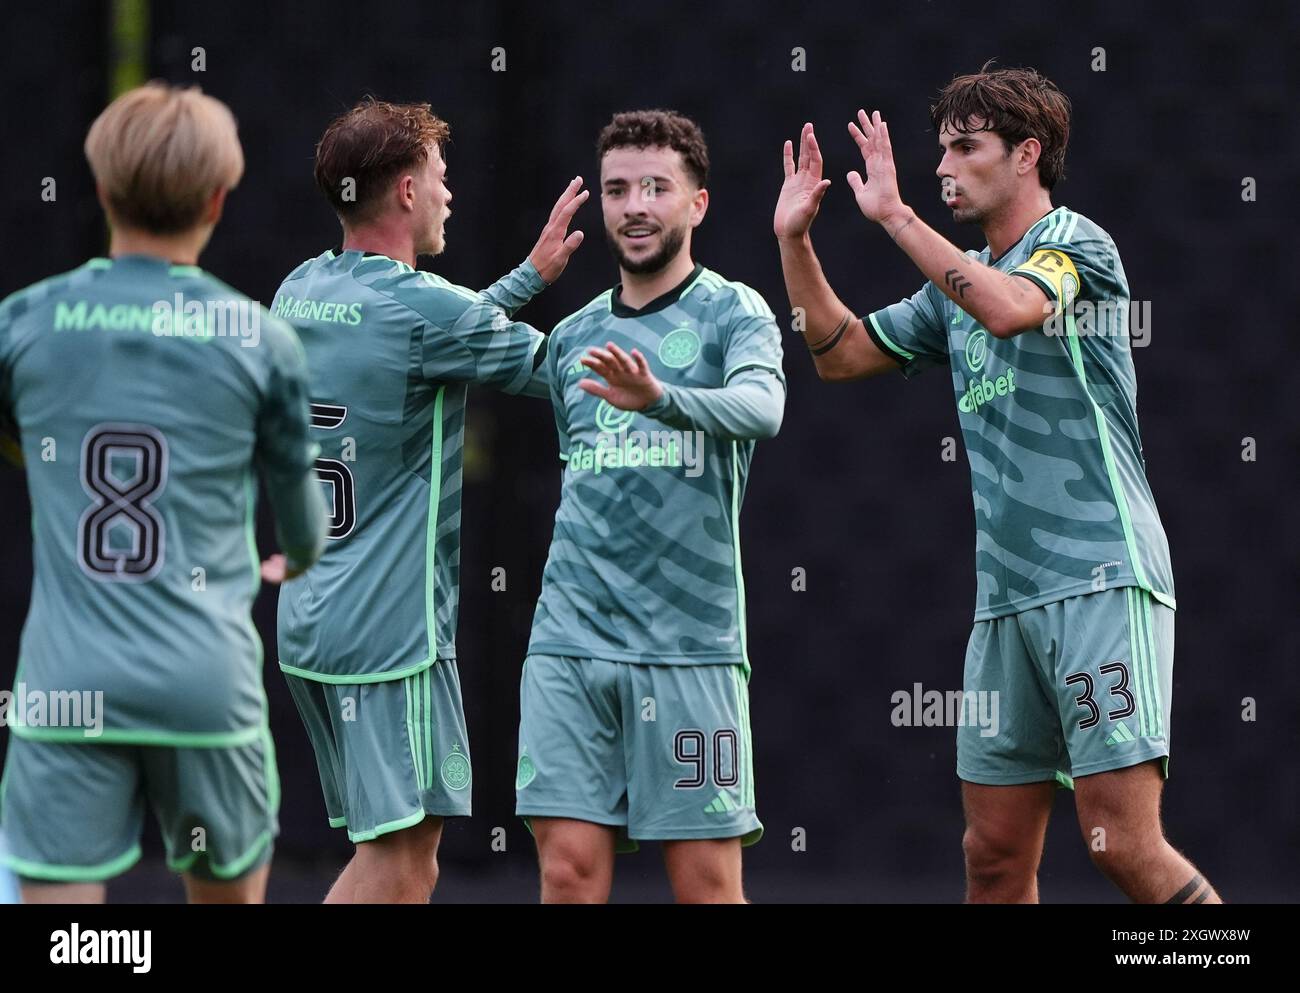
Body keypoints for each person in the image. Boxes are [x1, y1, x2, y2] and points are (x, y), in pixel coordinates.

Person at [773, 64, 1219, 903]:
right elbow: (840, 355)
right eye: (939, 148)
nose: (943, 166)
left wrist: (896, 216)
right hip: (1005, 602)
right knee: (993, 857)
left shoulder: (1077, 242)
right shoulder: (954, 287)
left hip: (1100, 580)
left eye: (965, 147)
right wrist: (796, 241)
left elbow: (1011, 307)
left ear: (1028, 154)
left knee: (1119, 842)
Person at [0, 82, 326, 904]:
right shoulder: (260, 338)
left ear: (103, 190)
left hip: (66, 687)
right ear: (218, 200)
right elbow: (307, 532)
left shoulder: (26, 321)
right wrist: (295, 550)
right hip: (205, 683)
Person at [274, 97, 585, 903]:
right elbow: (565, 372)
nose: (450, 194)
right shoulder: (424, 310)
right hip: (392, 637)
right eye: (440, 177)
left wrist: (527, 276)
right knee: (403, 864)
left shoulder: (302, 288)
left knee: (402, 854)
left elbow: (430, 329)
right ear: (407, 191)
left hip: (311, 623)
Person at [516, 110, 785, 903]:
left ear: (697, 203)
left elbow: (763, 409)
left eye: (657, 187)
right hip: (569, 640)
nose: (635, 205)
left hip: (690, 646)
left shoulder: (737, 312)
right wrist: (528, 278)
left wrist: (660, 398)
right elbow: (460, 340)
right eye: (617, 189)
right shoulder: (572, 336)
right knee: (567, 874)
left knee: (706, 886)